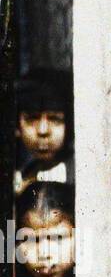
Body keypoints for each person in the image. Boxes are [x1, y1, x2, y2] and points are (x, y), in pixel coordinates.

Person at [14, 67, 74, 195]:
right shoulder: (22, 174)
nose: (43, 131)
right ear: (17, 127)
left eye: (55, 119)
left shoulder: (75, 174)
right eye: (32, 119)